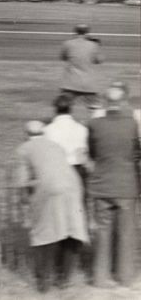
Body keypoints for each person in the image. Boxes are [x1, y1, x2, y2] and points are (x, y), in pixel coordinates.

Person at [16, 120, 88, 293]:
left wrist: (26, 199)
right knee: (71, 230)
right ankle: (64, 279)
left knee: (44, 232)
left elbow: (21, 181)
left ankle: (44, 281)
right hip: (73, 186)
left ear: (25, 135)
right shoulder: (56, 146)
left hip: (50, 188)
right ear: (44, 134)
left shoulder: (23, 149)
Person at [87, 85, 140, 287]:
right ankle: (125, 276)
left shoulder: (94, 124)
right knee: (127, 232)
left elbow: (92, 152)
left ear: (106, 103)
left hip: (102, 184)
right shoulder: (132, 124)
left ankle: (100, 278)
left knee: (102, 231)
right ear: (123, 102)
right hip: (126, 184)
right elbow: (137, 151)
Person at [43, 94, 88, 186]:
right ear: (70, 109)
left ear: (55, 109)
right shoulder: (82, 129)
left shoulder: (47, 130)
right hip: (77, 169)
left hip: (56, 169)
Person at [59, 24, 104, 118]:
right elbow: (99, 60)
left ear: (75, 31)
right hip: (88, 83)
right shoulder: (93, 45)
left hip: (70, 82)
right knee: (95, 109)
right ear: (87, 32)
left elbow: (63, 57)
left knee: (63, 107)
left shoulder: (68, 43)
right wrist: (98, 46)